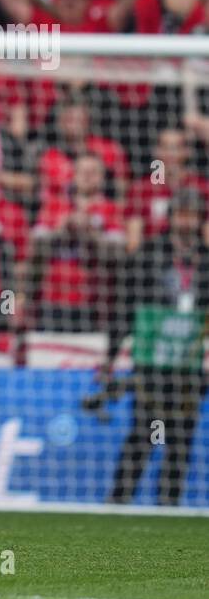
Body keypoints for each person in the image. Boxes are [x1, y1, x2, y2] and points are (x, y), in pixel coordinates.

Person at [88, 189, 209, 506]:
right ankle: (118, 502)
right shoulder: (148, 255)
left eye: (193, 214)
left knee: (181, 440)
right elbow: (126, 309)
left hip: (189, 367)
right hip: (151, 366)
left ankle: (169, 507)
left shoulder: (206, 262)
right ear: (171, 217)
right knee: (142, 434)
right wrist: (110, 358)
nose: (186, 220)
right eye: (181, 213)